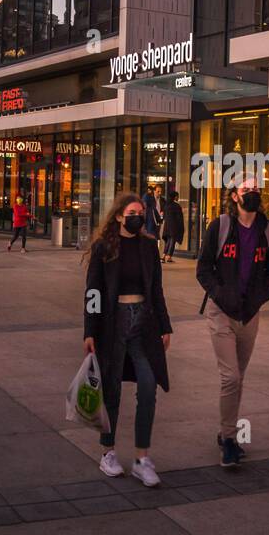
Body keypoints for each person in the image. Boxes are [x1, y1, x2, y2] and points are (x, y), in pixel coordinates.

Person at [82, 193, 173, 487]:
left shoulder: (148, 246)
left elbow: (156, 289)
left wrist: (165, 325)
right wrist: (90, 331)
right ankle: (108, 452)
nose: (138, 216)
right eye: (133, 212)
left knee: (148, 385)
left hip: (142, 323)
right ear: (120, 216)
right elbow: (93, 291)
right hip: (112, 323)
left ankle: (141, 458)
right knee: (112, 390)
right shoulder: (104, 247)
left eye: (141, 212)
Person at [195, 176, 269, 467]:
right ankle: (230, 440)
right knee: (230, 376)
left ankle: (226, 432)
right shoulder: (220, 227)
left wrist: (259, 298)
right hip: (221, 312)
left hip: (250, 314)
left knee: (239, 377)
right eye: (247, 190)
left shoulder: (268, 231)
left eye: (257, 190)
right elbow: (203, 268)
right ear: (234, 196)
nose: (253, 194)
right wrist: (220, 294)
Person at [161, 189, 184, 262]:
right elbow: (179, 218)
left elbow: (164, 216)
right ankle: (169, 256)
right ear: (175, 197)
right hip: (174, 226)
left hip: (167, 226)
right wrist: (181, 227)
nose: (178, 197)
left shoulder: (166, 205)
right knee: (172, 241)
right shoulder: (176, 206)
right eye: (177, 196)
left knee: (168, 241)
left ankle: (164, 255)